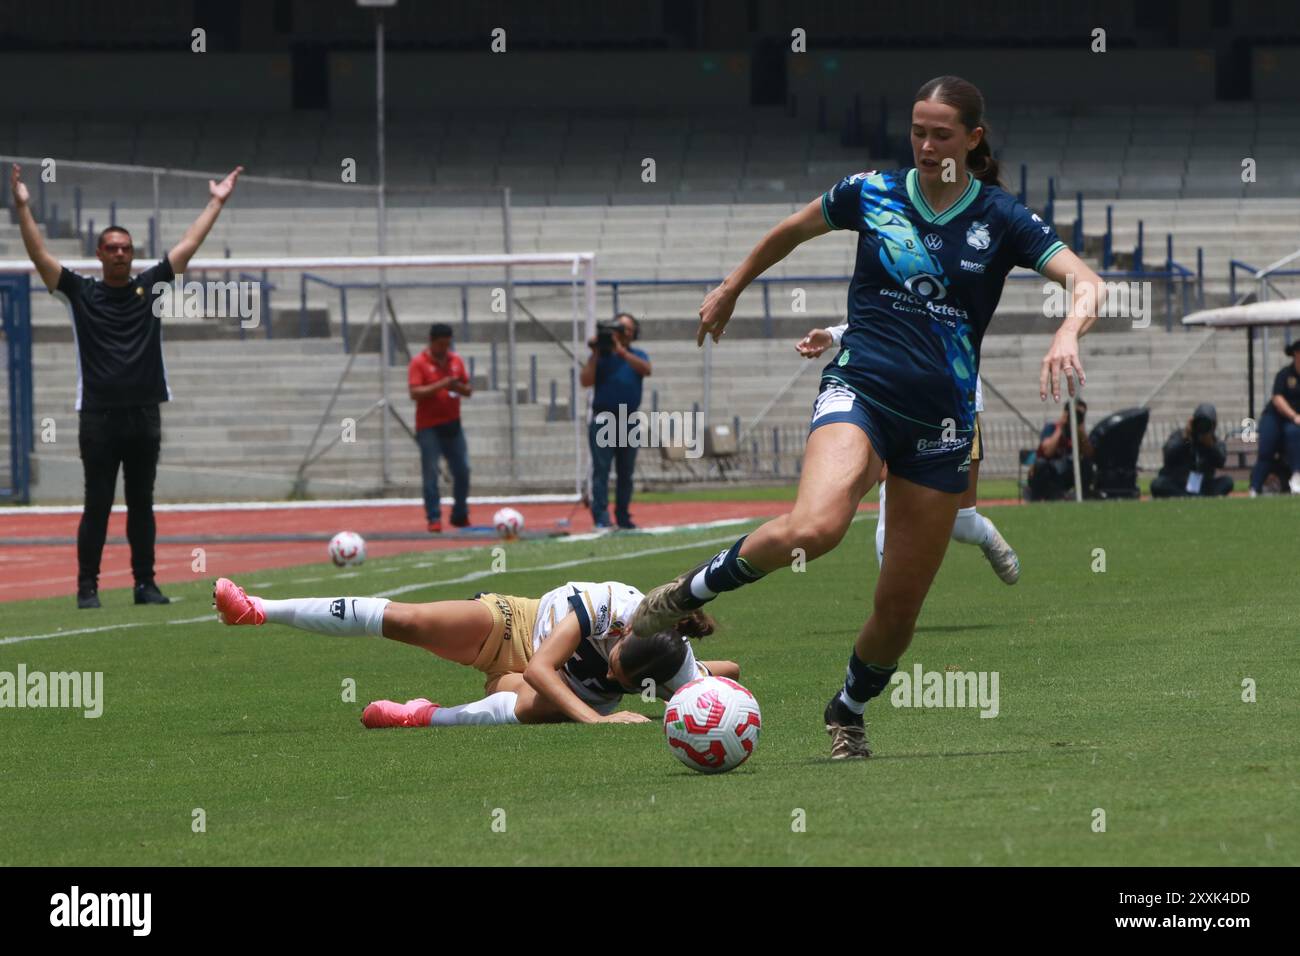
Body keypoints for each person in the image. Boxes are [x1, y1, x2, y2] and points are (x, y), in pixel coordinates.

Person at [630, 75, 1103, 760]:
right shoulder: (871, 193)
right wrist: (732, 287)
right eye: (917, 129)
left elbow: (1088, 282)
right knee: (815, 528)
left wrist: (1068, 330)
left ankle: (847, 708)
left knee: (898, 610)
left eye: (941, 132)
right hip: (860, 390)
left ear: (973, 138)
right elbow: (790, 230)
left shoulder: (1000, 218)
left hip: (942, 426)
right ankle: (685, 594)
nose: (925, 144)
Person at [11, 162, 243, 609]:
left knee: (142, 505)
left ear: (132, 255)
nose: (120, 254)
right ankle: (87, 588)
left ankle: (145, 585)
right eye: (112, 248)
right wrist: (23, 208)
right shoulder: (80, 292)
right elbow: (40, 256)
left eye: (126, 249)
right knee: (97, 505)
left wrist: (216, 201)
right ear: (99, 254)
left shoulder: (151, 287)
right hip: (98, 418)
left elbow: (188, 245)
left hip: (144, 415)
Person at [212, 577, 734, 727]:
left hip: (535, 694)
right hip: (518, 629)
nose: (615, 674)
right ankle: (258, 608)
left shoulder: (673, 664)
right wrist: (597, 721)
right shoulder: (611, 605)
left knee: (535, 707)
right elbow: (540, 665)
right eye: (616, 660)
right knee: (408, 621)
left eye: (623, 682)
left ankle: (424, 716)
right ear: (621, 633)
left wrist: (712, 687)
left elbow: (719, 674)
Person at [799, 323, 1018, 582]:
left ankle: (986, 534)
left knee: (961, 523)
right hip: (901, 401)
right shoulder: (897, 286)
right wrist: (833, 335)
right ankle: (889, 608)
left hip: (956, 406)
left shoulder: (962, 289)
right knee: (888, 494)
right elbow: (878, 319)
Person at [580, 312, 651, 529]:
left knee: (625, 472)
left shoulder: (637, 354)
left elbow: (646, 370)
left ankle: (623, 516)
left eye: (628, 329)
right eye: (620, 328)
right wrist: (594, 354)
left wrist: (621, 352)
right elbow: (585, 381)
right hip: (604, 418)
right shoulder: (601, 357)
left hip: (629, 419)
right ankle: (601, 516)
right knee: (601, 470)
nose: (624, 332)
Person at [408, 323, 472, 533]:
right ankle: (434, 516)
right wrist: (441, 385)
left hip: (453, 424)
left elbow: (468, 389)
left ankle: (460, 513)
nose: (444, 348)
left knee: (463, 469)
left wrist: (457, 386)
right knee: (431, 472)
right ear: (432, 342)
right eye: (441, 344)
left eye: (447, 344)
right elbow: (415, 392)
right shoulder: (419, 363)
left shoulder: (456, 361)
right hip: (429, 427)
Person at [1249, 340, 1300, 496]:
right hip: (1277, 416)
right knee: (1266, 449)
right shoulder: (1284, 374)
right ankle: (1255, 487)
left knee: (1294, 434)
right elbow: (1278, 398)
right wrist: (1294, 415)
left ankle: (1296, 476)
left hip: (1294, 423)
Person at [1150, 403, 1232, 498]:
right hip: (1178, 482)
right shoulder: (1180, 436)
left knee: (1227, 481)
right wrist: (1185, 439)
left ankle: (1193, 496)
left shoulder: (1215, 442)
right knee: (1157, 484)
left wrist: (1210, 446)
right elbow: (1168, 455)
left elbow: (1220, 462)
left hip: (1203, 484)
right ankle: (1191, 496)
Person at [1027, 399, 1094, 501]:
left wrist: (1081, 431)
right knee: (1041, 464)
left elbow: (1089, 453)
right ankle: (1037, 499)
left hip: (1066, 472)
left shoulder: (1079, 434)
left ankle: (1083, 496)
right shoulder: (1051, 428)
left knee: (1086, 463)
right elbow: (1047, 452)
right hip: (1048, 472)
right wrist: (1061, 427)